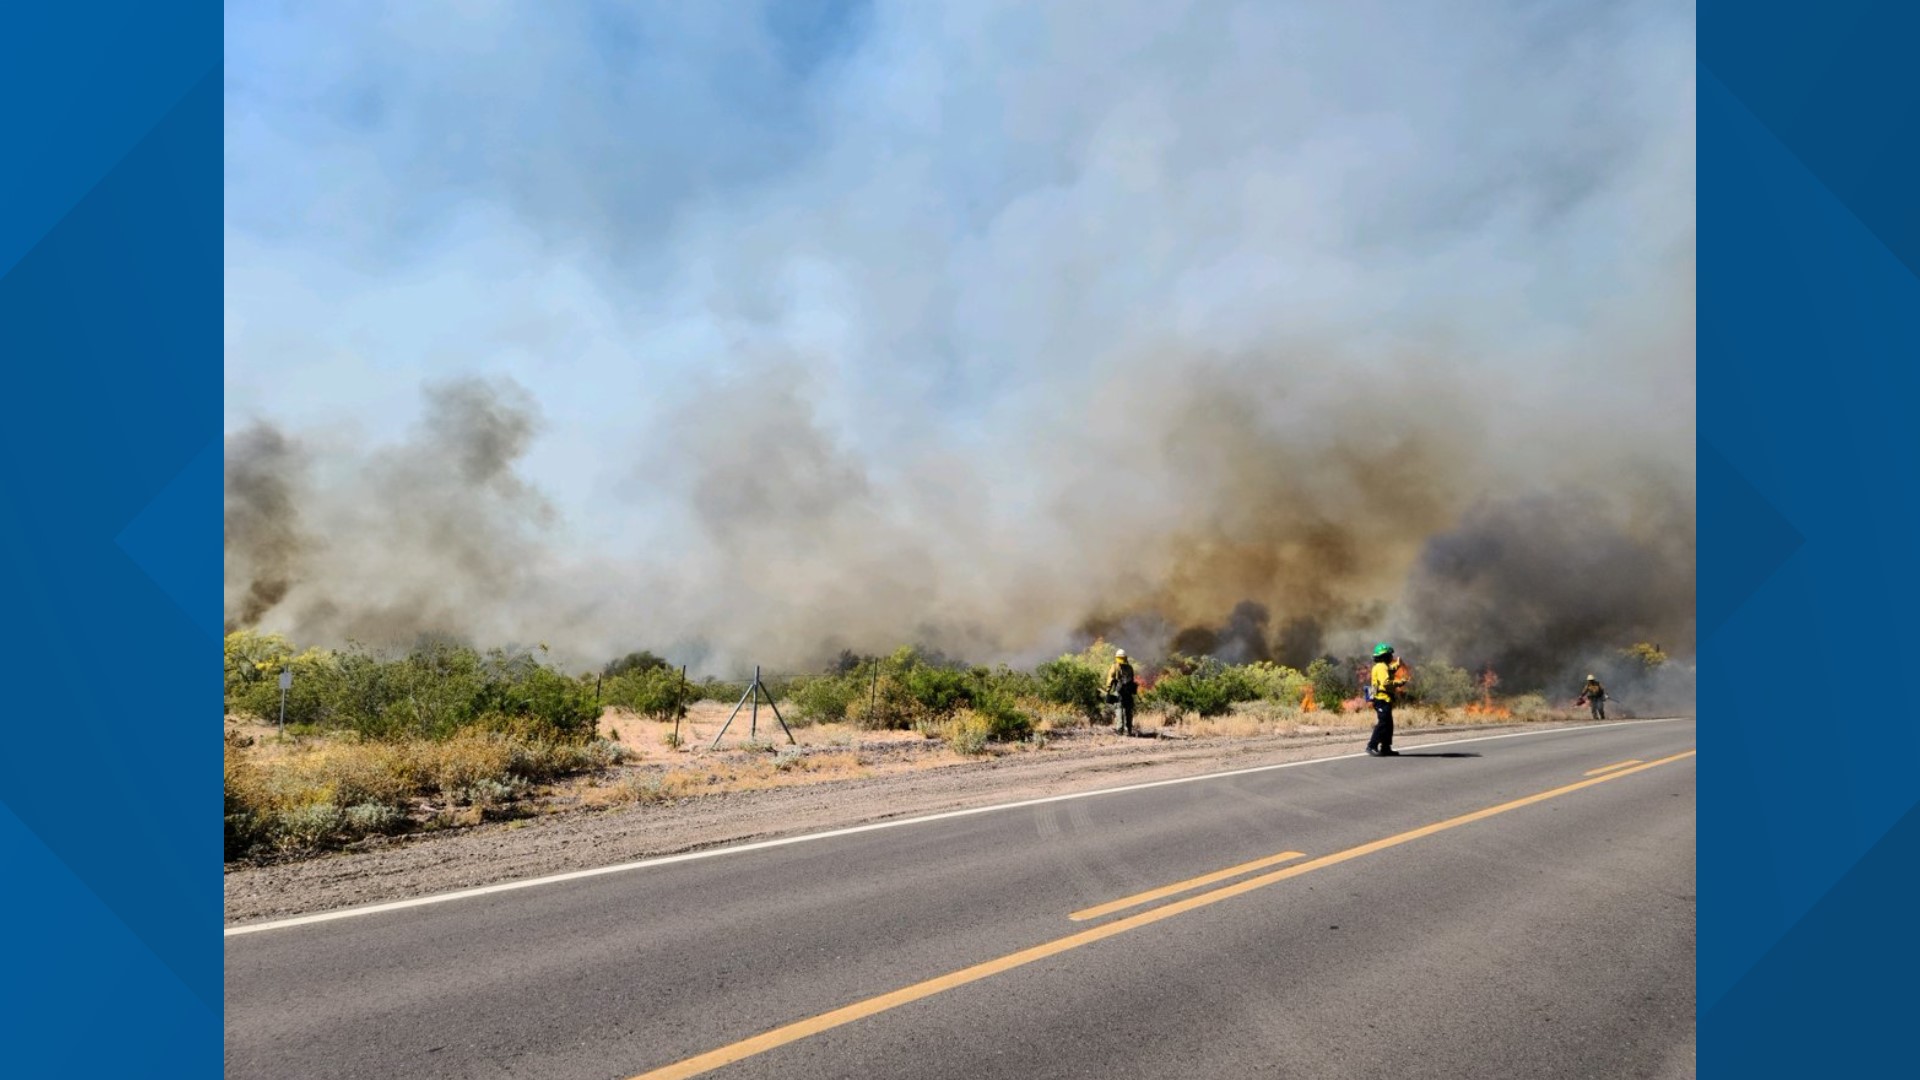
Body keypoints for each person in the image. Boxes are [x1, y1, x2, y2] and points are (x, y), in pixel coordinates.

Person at [1367, 643, 1409, 757]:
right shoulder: (1381, 667)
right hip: (1381, 699)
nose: (1391, 657)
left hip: (1384, 699)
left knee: (1388, 724)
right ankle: (1372, 746)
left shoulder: (1382, 666)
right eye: (1390, 654)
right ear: (1384, 656)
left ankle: (1386, 747)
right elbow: (1386, 683)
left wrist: (1397, 665)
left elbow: (1390, 670)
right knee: (1383, 723)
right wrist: (1400, 682)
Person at [1105, 649, 1139, 736]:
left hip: (1119, 692)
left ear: (1117, 658)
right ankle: (1129, 730)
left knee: (1119, 709)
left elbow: (1110, 679)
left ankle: (1120, 730)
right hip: (1128, 693)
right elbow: (1132, 680)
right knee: (1128, 711)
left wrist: (1108, 691)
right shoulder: (1130, 668)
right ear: (1125, 658)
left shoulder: (1115, 666)